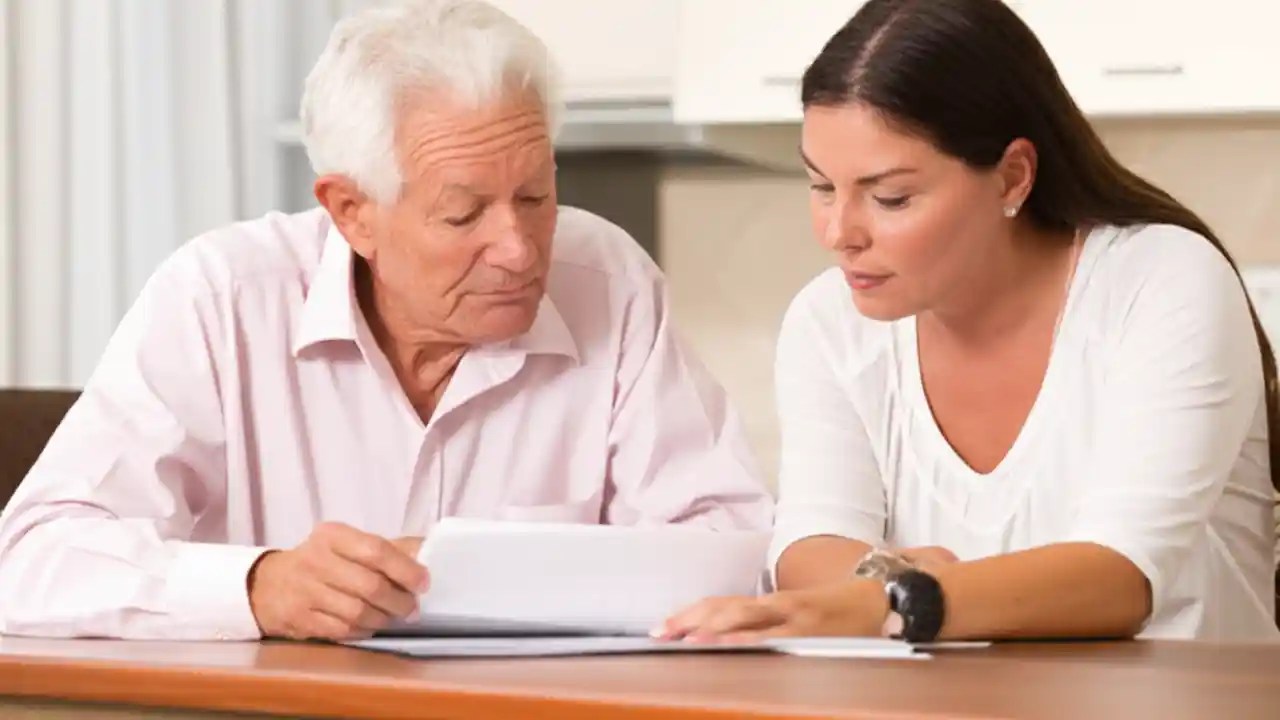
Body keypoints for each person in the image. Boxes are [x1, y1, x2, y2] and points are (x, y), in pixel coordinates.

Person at [0, 0, 772, 642]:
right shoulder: (223, 297)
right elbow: (32, 560)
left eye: (537, 196)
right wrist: (258, 586)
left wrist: (523, 570)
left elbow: (735, 551)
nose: (517, 248)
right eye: (463, 214)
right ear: (352, 212)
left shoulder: (609, 281)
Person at [658, 0, 1278, 644]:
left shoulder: (1162, 282)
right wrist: (886, 583)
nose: (840, 233)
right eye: (821, 187)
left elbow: (1119, 576)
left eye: (891, 197)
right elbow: (811, 544)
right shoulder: (829, 322)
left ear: (1012, 177)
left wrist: (891, 601)